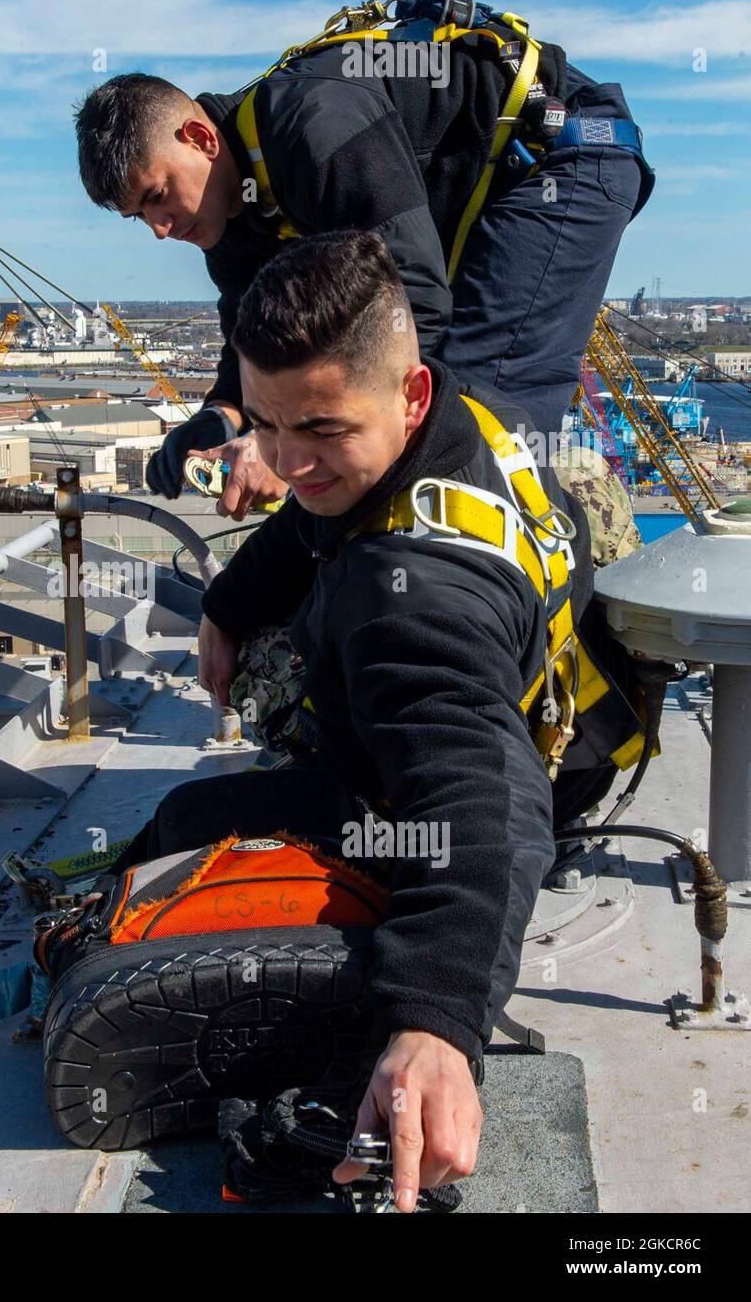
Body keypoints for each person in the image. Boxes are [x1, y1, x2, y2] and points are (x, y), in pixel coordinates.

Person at [119, 229, 644, 1211]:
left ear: (406, 395)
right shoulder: (453, 423)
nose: (285, 460)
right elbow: (313, 507)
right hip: (561, 725)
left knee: (189, 830)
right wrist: (232, 601)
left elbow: (483, 803)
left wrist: (437, 1025)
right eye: (266, 426)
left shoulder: (408, 603)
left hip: (455, 784)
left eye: (317, 430)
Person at [73, 0, 654, 518]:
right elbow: (254, 341)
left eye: (157, 197)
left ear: (200, 140)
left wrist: (289, 451)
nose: (159, 227)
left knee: (477, 400)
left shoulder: (314, 127)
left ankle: (508, 602)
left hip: (564, 155)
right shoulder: (232, 210)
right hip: (495, 186)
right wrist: (220, 417)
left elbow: (415, 305)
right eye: (140, 217)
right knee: (418, 411)